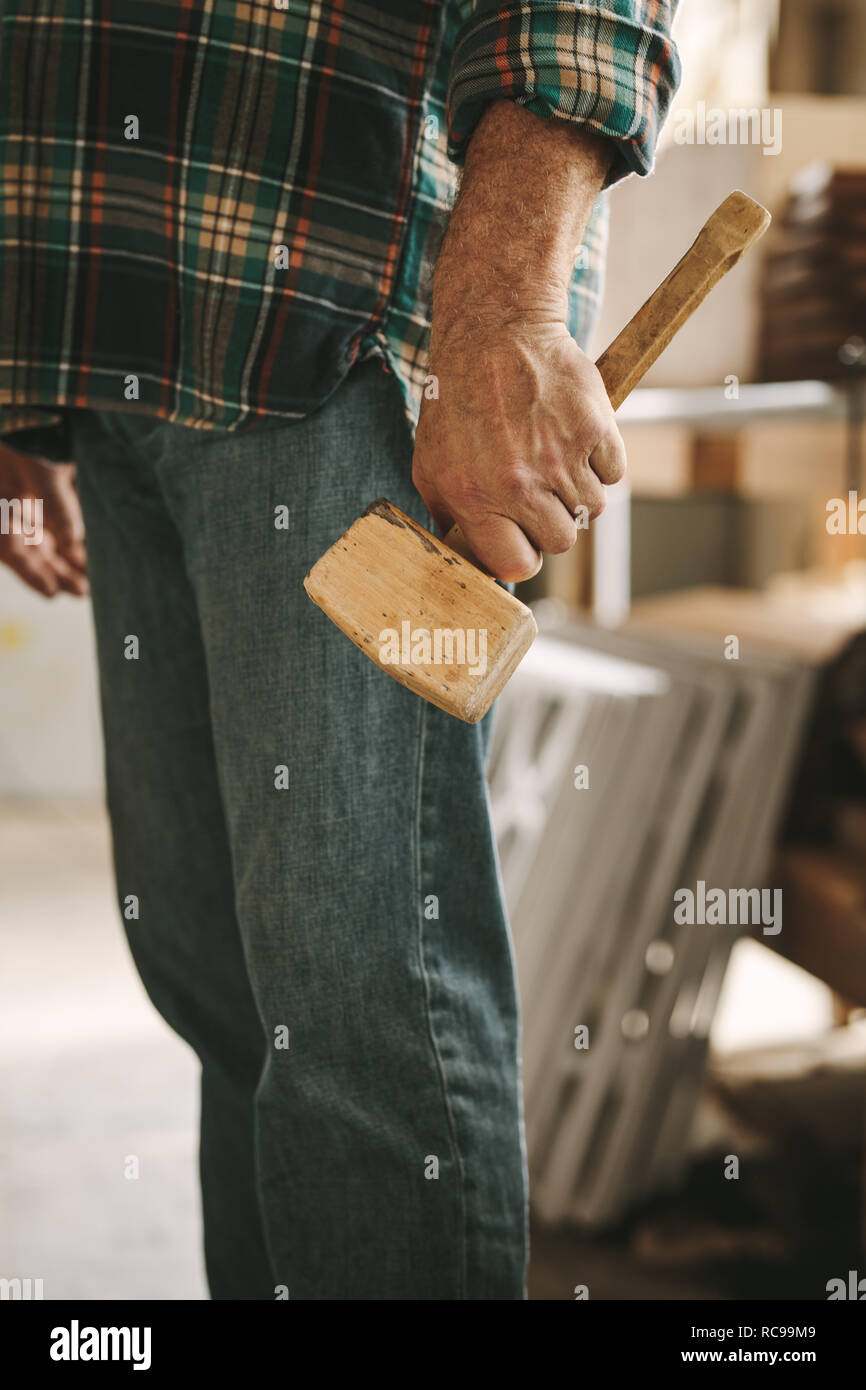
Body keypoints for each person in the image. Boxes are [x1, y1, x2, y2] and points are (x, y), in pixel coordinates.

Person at [0, 1, 680, 1299]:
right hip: (106, 320)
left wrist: (508, 307)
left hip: (335, 312)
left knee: (360, 1028)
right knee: (227, 997)